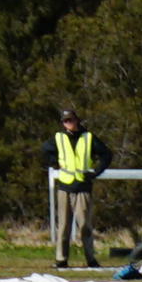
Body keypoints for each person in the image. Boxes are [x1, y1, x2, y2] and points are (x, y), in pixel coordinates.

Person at [49, 107, 101, 265]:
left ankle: (90, 258)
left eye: (70, 120)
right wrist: (53, 163)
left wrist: (95, 172)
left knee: (85, 225)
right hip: (65, 186)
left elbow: (106, 154)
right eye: (65, 121)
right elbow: (45, 151)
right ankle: (61, 259)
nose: (68, 123)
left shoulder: (88, 137)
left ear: (77, 120)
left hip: (83, 186)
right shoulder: (58, 138)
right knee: (63, 225)